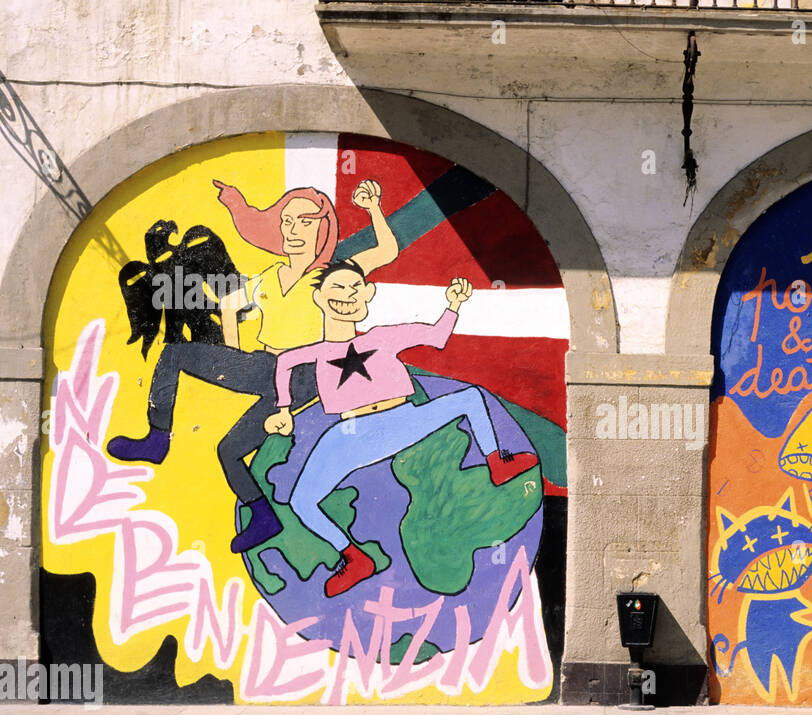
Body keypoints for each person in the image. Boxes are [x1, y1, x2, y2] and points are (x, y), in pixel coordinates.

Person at [107, 179, 398, 553]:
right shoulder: (271, 276)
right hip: (268, 368)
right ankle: (263, 515)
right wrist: (234, 353)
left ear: (323, 227)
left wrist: (373, 207)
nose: (294, 231)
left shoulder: (335, 273)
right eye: (287, 222)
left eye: (305, 222)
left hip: (304, 373)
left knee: (175, 354)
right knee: (228, 450)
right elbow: (230, 304)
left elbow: (386, 251)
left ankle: (157, 438)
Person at [264, 259, 538, 598]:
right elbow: (283, 363)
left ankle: (498, 462)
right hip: (348, 434)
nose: (347, 295)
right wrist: (283, 408)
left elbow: (437, 336)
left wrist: (452, 305)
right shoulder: (318, 352)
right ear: (319, 297)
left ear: (367, 295)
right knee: (301, 501)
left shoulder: (383, 336)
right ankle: (353, 557)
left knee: (469, 398)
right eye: (337, 287)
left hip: (400, 420)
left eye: (354, 288)